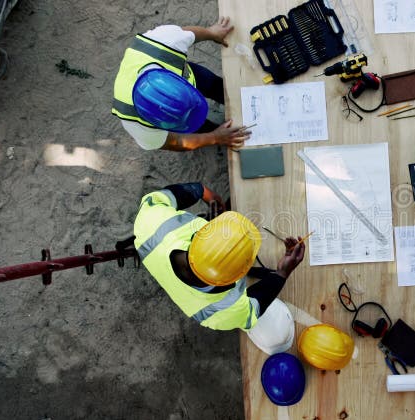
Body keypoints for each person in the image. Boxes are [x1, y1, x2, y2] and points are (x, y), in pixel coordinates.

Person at [133, 182, 305, 354]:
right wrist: (283, 272)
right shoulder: (224, 312)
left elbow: (160, 198)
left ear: (198, 236)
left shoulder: (150, 221)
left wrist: (202, 191)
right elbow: (252, 309)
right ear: (238, 276)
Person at [112, 18, 251, 151]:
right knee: (201, 128)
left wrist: (211, 32)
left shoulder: (164, 42)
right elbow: (176, 142)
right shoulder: (136, 124)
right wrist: (214, 137)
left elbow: (189, 34)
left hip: (187, 74)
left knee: (211, 84)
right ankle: (210, 129)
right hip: (180, 87)